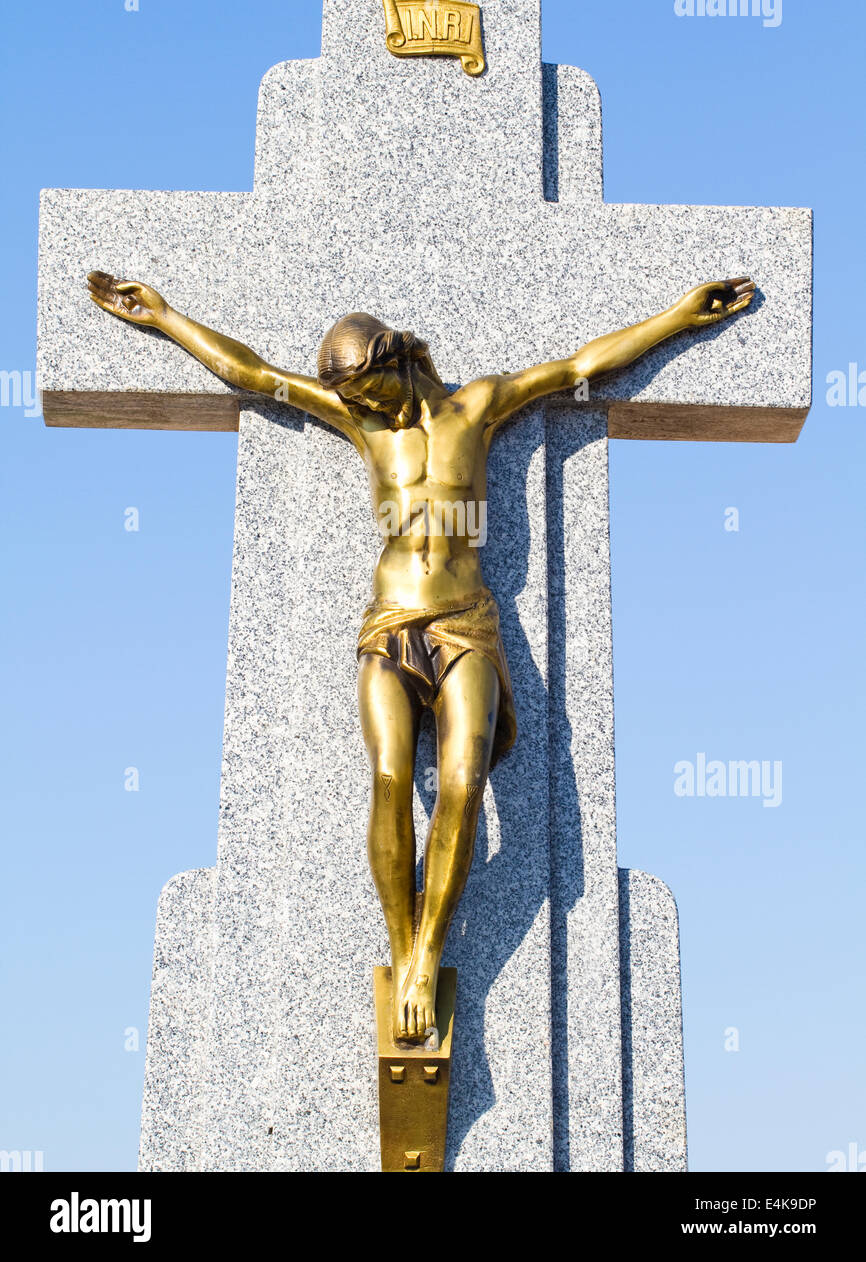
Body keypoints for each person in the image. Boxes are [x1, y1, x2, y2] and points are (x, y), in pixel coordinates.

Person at [86, 269, 754, 1044]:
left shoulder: (477, 407)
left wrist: (676, 315)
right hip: (392, 619)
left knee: (465, 781)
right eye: (356, 401)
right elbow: (256, 374)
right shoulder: (364, 423)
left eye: (371, 392)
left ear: (398, 361)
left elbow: (578, 368)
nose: (364, 408)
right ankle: (403, 951)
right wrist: (166, 316)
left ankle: (429, 950)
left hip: (467, 621)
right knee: (391, 775)